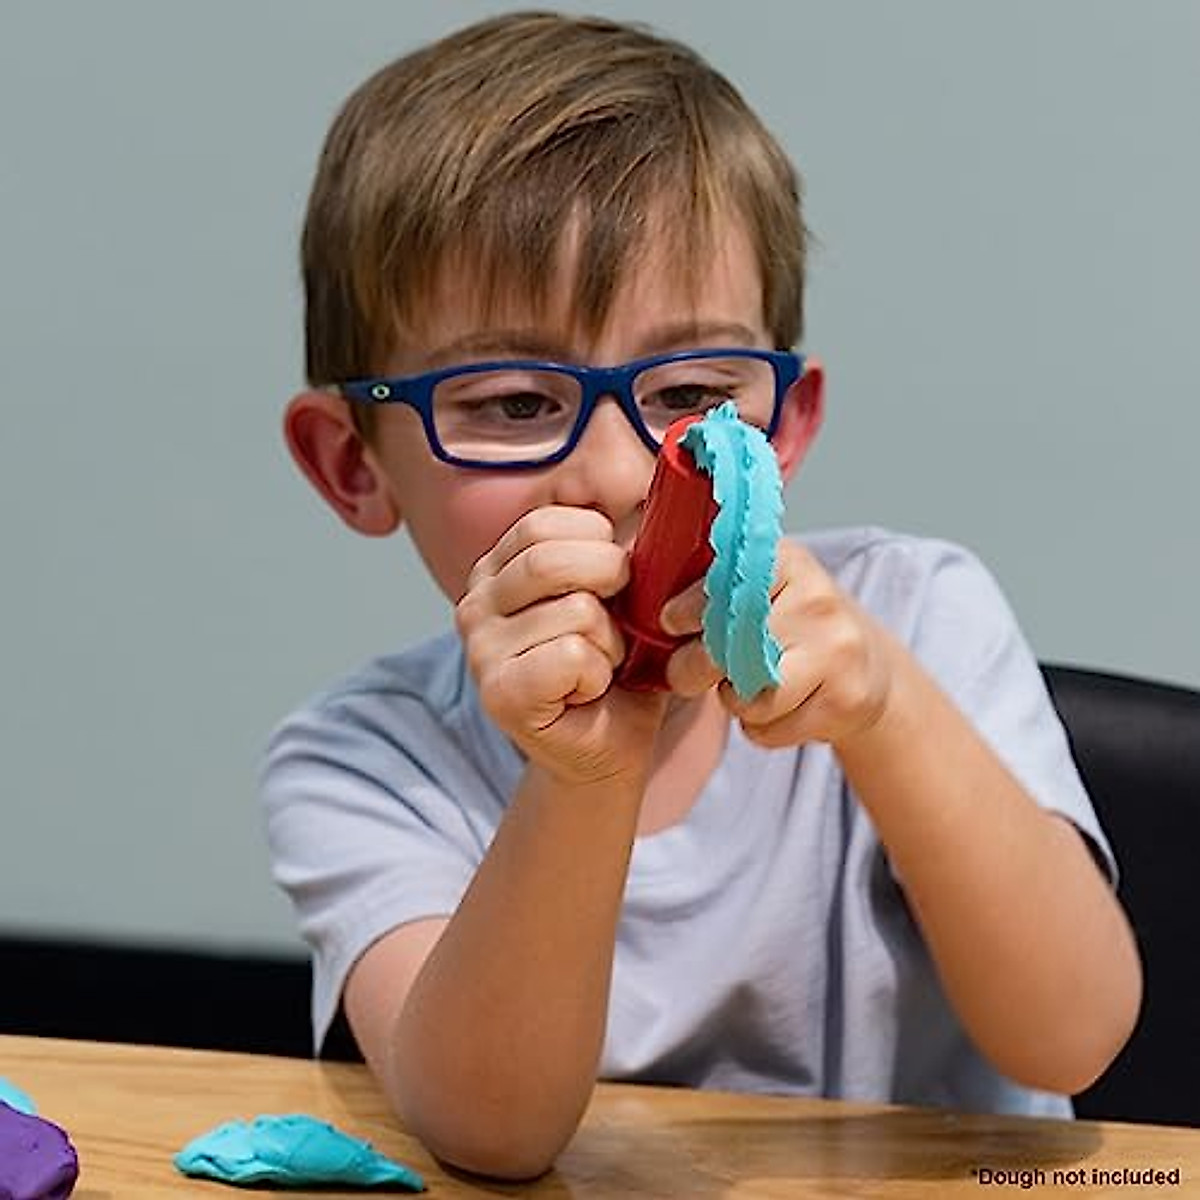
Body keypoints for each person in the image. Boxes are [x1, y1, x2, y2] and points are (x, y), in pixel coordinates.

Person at [263, 10, 1141, 1180]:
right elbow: (491, 1133)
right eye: (514, 403)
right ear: (352, 465)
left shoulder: (920, 613)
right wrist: (583, 778)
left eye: (689, 394)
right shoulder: (368, 758)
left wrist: (886, 713)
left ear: (786, 428)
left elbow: (1073, 1035)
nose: (622, 473)